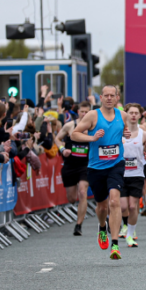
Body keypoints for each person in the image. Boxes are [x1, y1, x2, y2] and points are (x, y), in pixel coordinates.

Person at [70, 85, 131, 260]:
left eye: (112, 95)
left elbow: (126, 131)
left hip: (116, 164)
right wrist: (92, 137)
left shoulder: (123, 115)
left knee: (114, 201)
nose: (109, 98)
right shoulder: (92, 115)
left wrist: (126, 133)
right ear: (101, 98)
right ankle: (102, 227)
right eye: (106, 95)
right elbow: (74, 134)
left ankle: (115, 244)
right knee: (102, 206)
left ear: (117, 98)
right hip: (96, 167)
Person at [120, 103, 146, 248]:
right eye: (131, 113)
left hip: (137, 174)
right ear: (126, 114)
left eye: (136, 113)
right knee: (123, 207)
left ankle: (130, 235)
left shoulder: (144, 134)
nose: (133, 115)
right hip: (120, 174)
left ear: (140, 115)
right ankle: (125, 225)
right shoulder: (119, 132)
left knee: (132, 206)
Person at [55, 101, 92, 236]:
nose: (84, 114)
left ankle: (78, 225)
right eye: (82, 111)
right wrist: (62, 149)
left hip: (86, 165)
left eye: (87, 112)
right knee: (71, 198)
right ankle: (78, 214)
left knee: (82, 192)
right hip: (70, 165)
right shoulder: (70, 125)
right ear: (78, 112)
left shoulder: (94, 127)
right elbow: (57, 139)